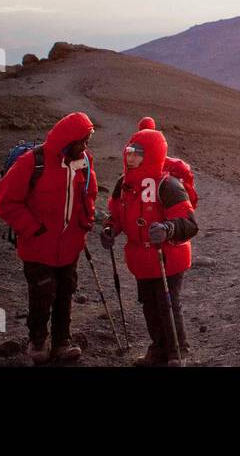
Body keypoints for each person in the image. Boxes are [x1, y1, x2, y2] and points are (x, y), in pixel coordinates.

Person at [0, 111, 98, 364]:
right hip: (38, 246)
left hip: (70, 245)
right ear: (67, 141)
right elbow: (6, 202)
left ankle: (62, 342)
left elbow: (90, 193)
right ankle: (38, 341)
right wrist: (33, 228)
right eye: (81, 142)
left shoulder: (83, 161)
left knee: (65, 291)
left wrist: (86, 221)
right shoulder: (33, 162)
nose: (84, 147)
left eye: (87, 141)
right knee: (42, 293)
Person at [101, 124, 198, 366]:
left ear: (152, 155)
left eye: (138, 153)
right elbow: (116, 214)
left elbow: (189, 223)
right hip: (142, 258)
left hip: (168, 257)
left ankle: (178, 351)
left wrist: (168, 229)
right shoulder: (124, 184)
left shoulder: (169, 185)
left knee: (167, 304)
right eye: (129, 151)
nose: (130, 157)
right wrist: (111, 228)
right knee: (149, 305)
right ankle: (158, 350)